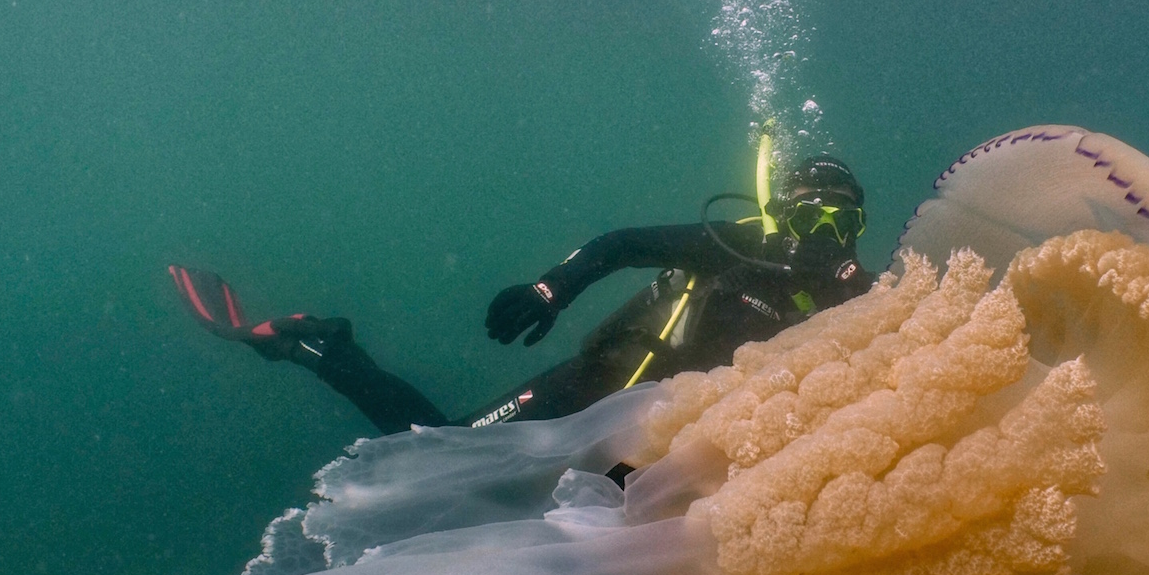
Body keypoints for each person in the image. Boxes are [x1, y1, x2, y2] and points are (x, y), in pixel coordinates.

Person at [170, 152, 875, 436]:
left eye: (841, 222)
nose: (823, 235)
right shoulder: (741, 245)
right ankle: (323, 345)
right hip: (600, 384)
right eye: (810, 215)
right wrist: (551, 289)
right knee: (444, 453)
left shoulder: (860, 301)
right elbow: (621, 244)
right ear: (782, 215)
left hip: (665, 444)